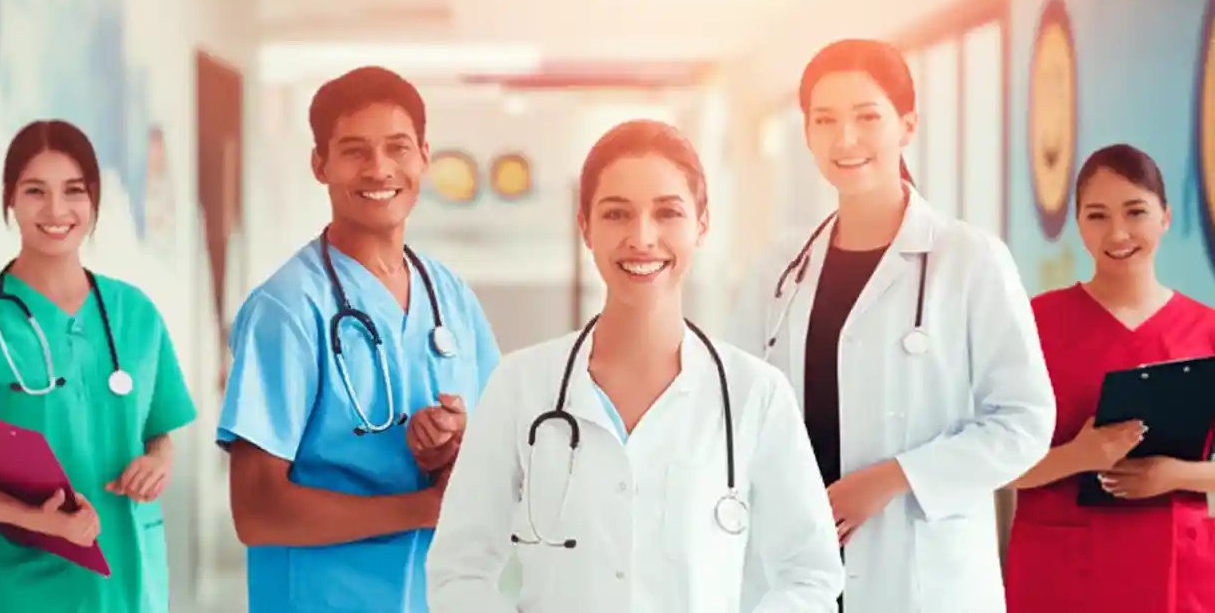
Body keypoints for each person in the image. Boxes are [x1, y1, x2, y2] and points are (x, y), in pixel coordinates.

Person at [425, 120, 845, 612]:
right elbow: (460, 569)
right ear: (585, 226)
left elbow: (811, 573)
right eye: (616, 214)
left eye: (668, 213)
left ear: (702, 223)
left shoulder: (756, 394)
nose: (642, 237)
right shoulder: (521, 386)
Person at [729, 39, 1056, 612]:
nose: (845, 139)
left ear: (907, 125)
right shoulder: (780, 268)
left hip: (919, 574)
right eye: (825, 120)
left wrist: (892, 478)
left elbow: (1025, 423)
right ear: (806, 133)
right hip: (796, 566)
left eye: (867, 117)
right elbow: (736, 410)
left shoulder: (969, 259)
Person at [217, 66, 501, 613]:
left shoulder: (449, 295)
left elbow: (500, 444)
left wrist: (454, 443)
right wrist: (423, 508)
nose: (379, 169)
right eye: (354, 151)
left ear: (424, 156)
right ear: (320, 164)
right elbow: (256, 511)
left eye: (397, 147)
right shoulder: (288, 307)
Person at [0, 120, 197, 613]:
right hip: (33, 583)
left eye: (73, 191)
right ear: (10, 198)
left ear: (94, 199)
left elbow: (159, 430)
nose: (56, 210)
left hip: (133, 577)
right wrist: (35, 519)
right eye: (36, 191)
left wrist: (158, 462)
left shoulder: (135, 313)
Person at [1004, 144, 1215, 613]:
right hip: (1062, 574)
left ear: (1165, 217)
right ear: (1078, 225)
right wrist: (1077, 456)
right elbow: (991, 463)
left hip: (1176, 573)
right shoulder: (1034, 324)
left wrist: (1173, 475)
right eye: (1097, 216)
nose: (1117, 233)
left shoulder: (1207, 331)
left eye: (1135, 212)